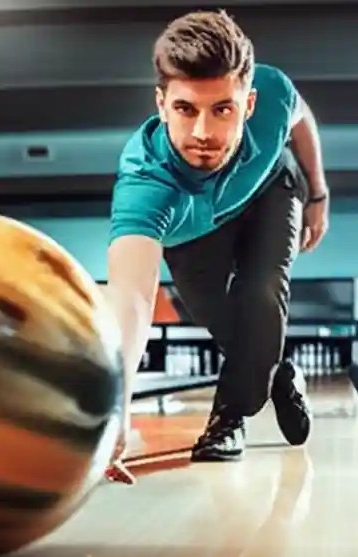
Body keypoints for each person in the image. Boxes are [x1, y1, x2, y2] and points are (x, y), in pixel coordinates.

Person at [103, 9, 329, 484]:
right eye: (186, 109)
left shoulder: (273, 94)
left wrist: (319, 192)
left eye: (222, 109)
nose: (203, 132)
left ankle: (229, 418)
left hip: (271, 190)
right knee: (218, 317)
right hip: (194, 229)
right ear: (161, 103)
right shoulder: (146, 181)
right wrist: (117, 404)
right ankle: (279, 374)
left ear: (248, 104)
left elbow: (301, 118)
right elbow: (133, 295)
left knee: (262, 294)